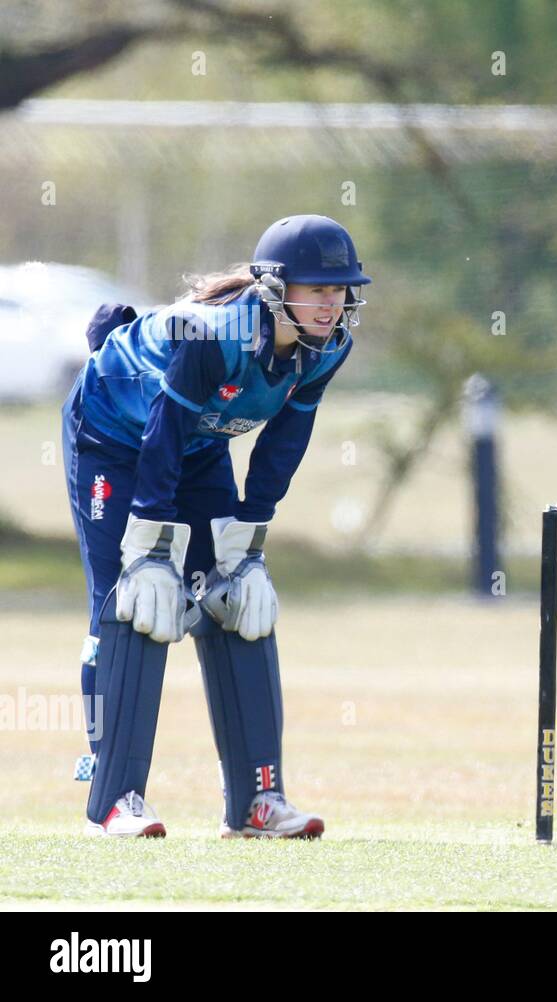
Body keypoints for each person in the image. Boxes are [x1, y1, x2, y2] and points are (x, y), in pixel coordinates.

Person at [61, 214, 371, 838]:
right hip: (112, 439)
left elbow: (285, 442)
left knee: (241, 599)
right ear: (275, 286)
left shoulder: (329, 345)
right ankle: (112, 798)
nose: (330, 304)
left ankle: (258, 801)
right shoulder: (213, 335)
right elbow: (162, 433)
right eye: (317, 288)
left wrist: (249, 541)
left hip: (198, 447)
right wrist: (149, 543)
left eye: (340, 291)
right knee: (137, 599)